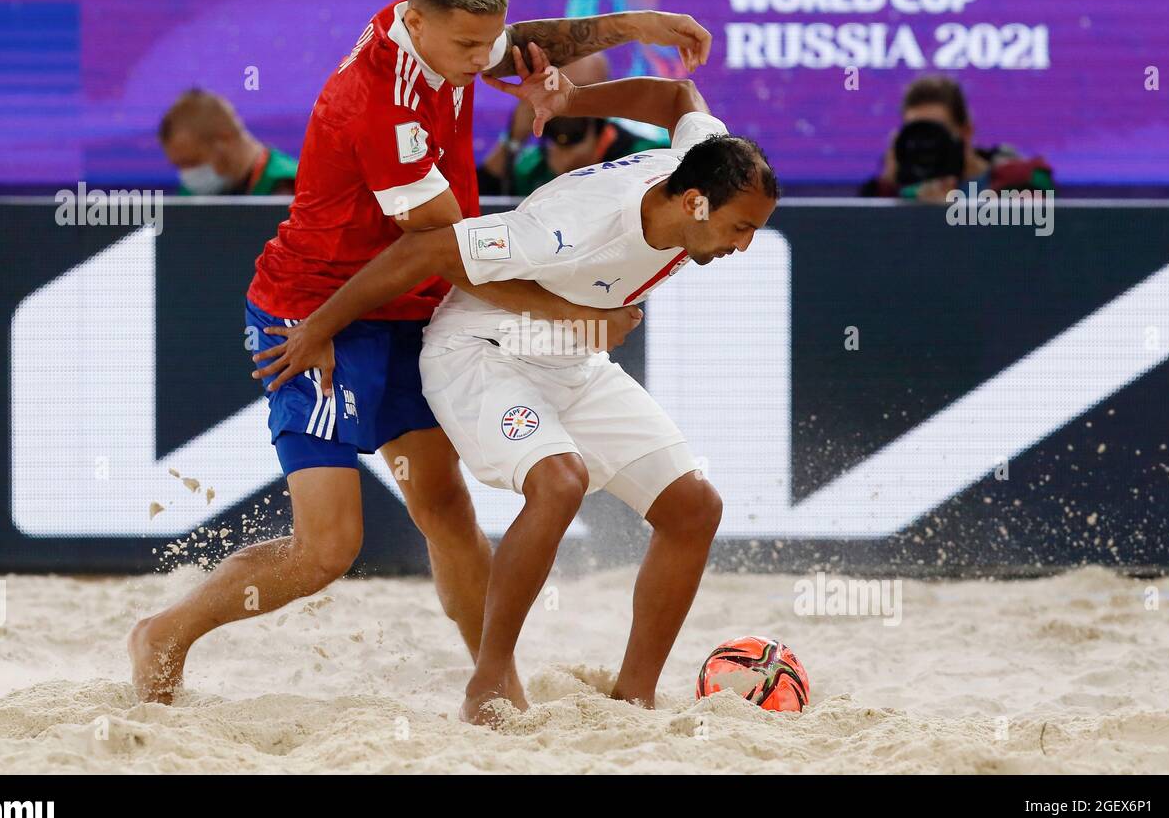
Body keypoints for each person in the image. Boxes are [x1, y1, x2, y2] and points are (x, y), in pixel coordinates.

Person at [128, 0, 712, 705]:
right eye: (469, 45)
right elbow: (453, 254)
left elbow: (533, 44)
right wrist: (576, 314)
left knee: (444, 507)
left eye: (485, 41)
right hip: (322, 316)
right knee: (327, 549)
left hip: (409, 309)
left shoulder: (447, 40)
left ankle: (494, 682)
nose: (484, 61)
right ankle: (164, 634)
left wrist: (642, 22)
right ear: (416, 18)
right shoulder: (377, 101)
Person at [253, 52, 778, 724]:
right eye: (740, 228)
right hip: (481, 353)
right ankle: (489, 681)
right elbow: (426, 252)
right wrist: (318, 327)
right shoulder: (572, 228)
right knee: (558, 480)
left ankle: (635, 698)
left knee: (694, 508)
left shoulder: (705, 160)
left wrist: (567, 99)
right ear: (694, 202)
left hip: (569, 360)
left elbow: (677, 95)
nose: (744, 245)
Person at [476, 53, 668, 196]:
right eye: (557, 88)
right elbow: (482, 204)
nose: (569, 100)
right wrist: (514, 138)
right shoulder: (529, 166)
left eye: (582, 89)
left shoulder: (646, 155)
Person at [860, 74, 1055, 202]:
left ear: (966, 132)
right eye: (918, 133)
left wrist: (953, 215)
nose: (928, 144)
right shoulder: (904, 193)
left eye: (936, 132)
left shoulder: (1023, 180)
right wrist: (887, 187)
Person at [158, 89, 299, 195]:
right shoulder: (189, 196)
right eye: (180, 166)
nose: (188, 175)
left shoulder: (294, 186)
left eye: (193, 162)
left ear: (225, 139)